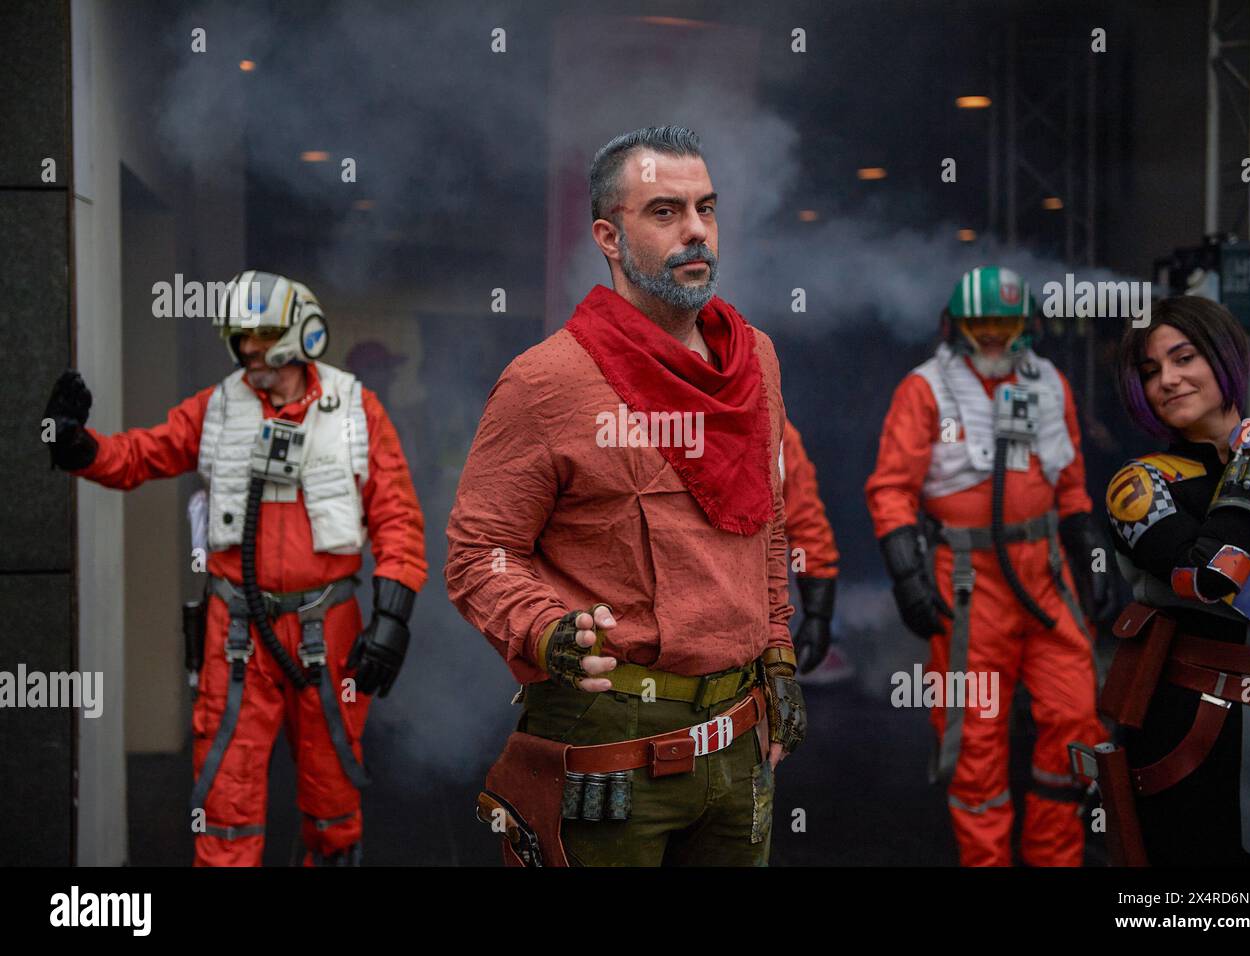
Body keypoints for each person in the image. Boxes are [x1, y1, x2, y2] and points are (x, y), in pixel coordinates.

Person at [446, 126, 805, 867]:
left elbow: (766, 523)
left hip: (739, 738)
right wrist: (548, 631)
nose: (697, 230)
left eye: (706, 208)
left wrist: (778, 656)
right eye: (666, 212)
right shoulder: (546, 382)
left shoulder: (755, 360)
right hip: (610, 743)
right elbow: (480, 555)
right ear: (609, 236)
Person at [43, 271, 427, 866]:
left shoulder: (354, 407)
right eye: (241, 335)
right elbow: (141, 454)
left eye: (263, 334)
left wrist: (392, 617)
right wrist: (78, 447)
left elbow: (398, 517)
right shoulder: (218, 408)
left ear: (303, 333)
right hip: (237, 634)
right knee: (226, 795)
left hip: (329, 629)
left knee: (333, 789)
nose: (250, 349)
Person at [865, 265, 1114, 866]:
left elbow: (1073, 483)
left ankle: (1056, 858)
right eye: (984, 326)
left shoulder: (1049, 383)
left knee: (1077, 715)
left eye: (1006, 325)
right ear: (957, 328)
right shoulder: (923, 389)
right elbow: (892, 488)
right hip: (969, 582)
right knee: (973, 740)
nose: (996, 339)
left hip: (1046, 574)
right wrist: (907, 574)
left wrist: (1095, 555)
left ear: (1025, 327)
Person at [1098, 295, 1250, 865]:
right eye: (1150, 371)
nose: (1168, 379)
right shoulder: (1139, 485)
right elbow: (1215, 574)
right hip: (1202, 731)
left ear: (1224, 356)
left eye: (1184, 358)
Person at [780, 419, 843, 679]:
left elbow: (805, 520)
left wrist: (818, 612)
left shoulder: (773, 425)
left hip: (756, 621)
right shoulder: (654, 420)